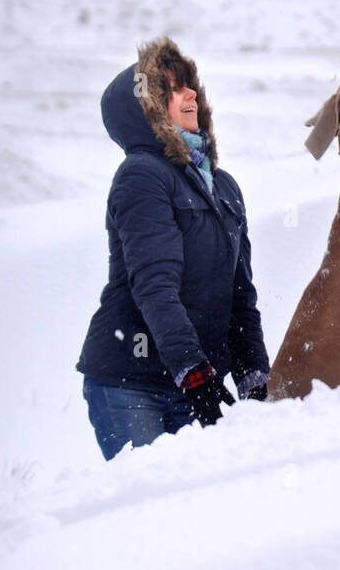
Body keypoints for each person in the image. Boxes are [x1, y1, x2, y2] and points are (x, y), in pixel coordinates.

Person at [77, 37, 270, 459]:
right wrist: (194, 372)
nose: (192, 94)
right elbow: (155, 285)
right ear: (146, 109)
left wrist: (253, 374)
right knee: (149, 510)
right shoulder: (141, 176)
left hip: (194, 380)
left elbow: (240, 297)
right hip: (133, 382)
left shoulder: (224, 187)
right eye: (175, 89)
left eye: (191, 86)